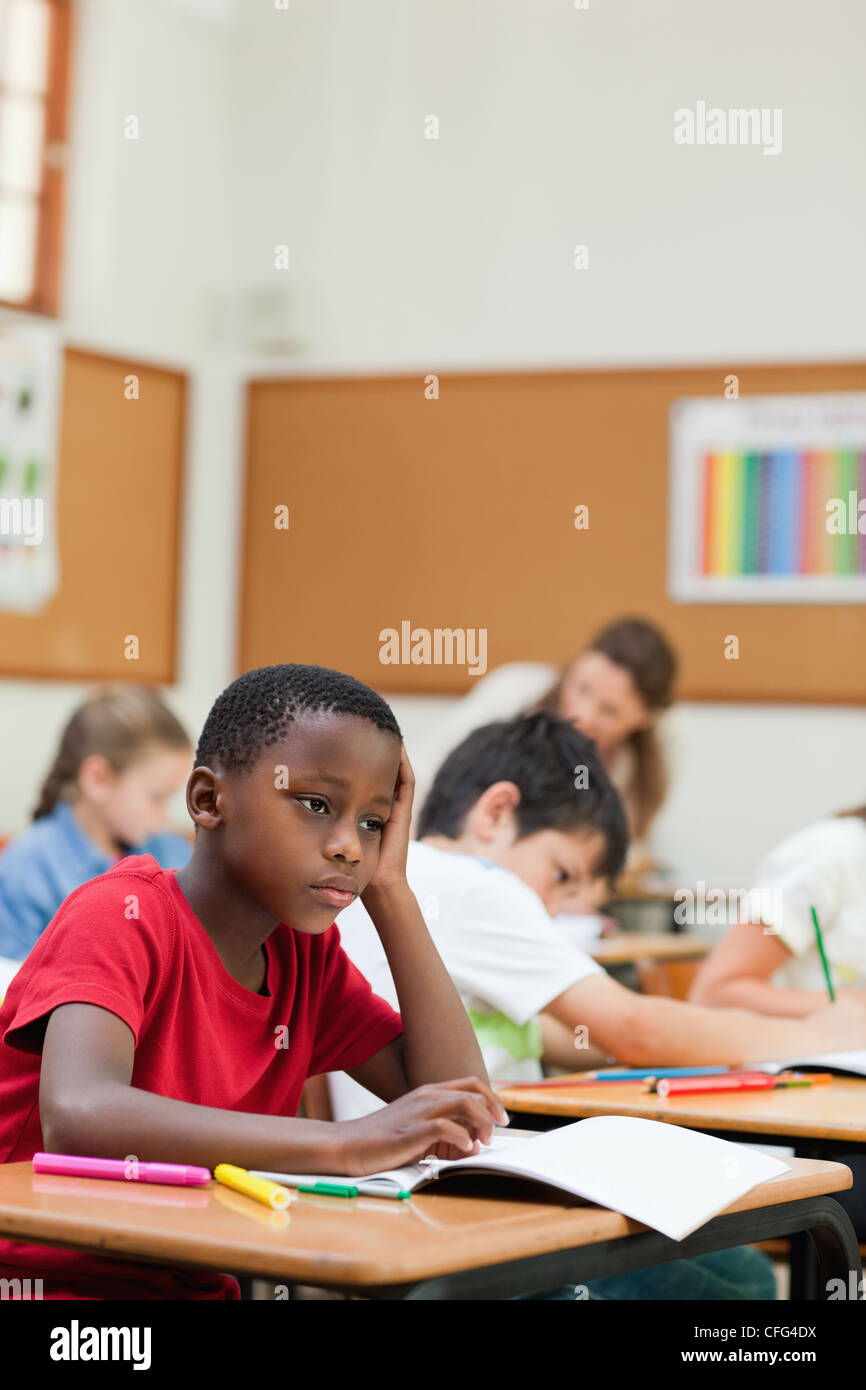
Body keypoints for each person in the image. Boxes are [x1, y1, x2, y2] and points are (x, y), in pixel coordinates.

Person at [0, 663, 504, 1299]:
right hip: (44, 1282)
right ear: (209, 800)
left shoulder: (306, 959)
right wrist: (344, 1144)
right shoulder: (122, 915)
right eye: (316, 805)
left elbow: (455, 1105)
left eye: (373, 822)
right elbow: (80, 1112)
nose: (349, 845)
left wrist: (391, 889)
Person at [329, 712, 866, 1299]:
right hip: (452, 1202)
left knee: (743, 1273)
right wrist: (817, 1035)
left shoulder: (430, 883)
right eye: (563, 876)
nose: (556, 911)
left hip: (450, 1184)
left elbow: (577, 1036)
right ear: (495, 813)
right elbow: (634, 1030)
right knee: (742, 1286)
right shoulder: (475, 884)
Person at [408, 617, 678, 869]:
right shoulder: (513, 693)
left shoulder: (636, 770)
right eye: (581, 688)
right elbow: (422, 773)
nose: (583, 715)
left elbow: (619, 851)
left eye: (610, 711)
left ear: (646, 718)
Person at [0, 686, 194, 962]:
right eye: (157, 797)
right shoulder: (27, 868)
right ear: (98, 779)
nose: (164, 817)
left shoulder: (176, 856)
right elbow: (12, 991)